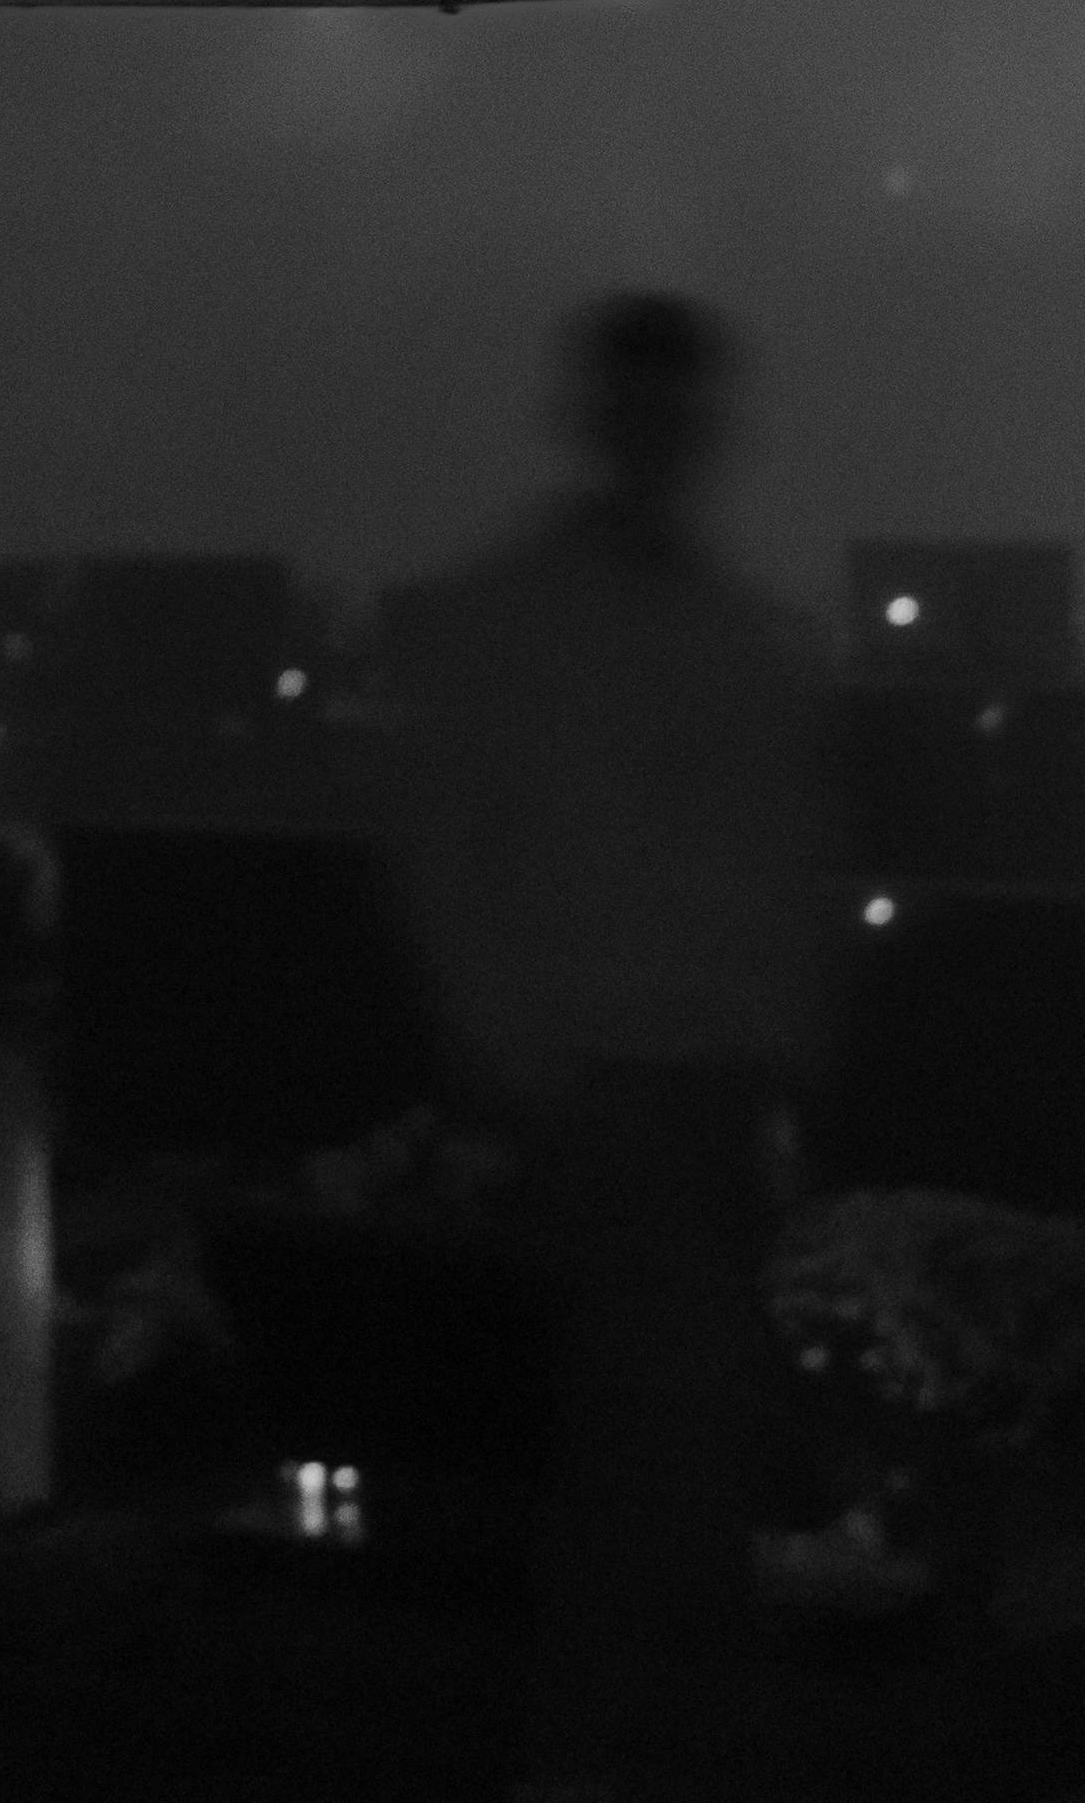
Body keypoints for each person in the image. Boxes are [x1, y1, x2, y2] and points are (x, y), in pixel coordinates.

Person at [385, 291, 837, 1803]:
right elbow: (451, 856)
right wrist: (530, 1067)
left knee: (660, 1484)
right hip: (612, 1094)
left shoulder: (717, 629)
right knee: (658, 1480)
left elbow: (778, 869)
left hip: (698, 1094)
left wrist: (770, 1056)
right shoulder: (538, 623)